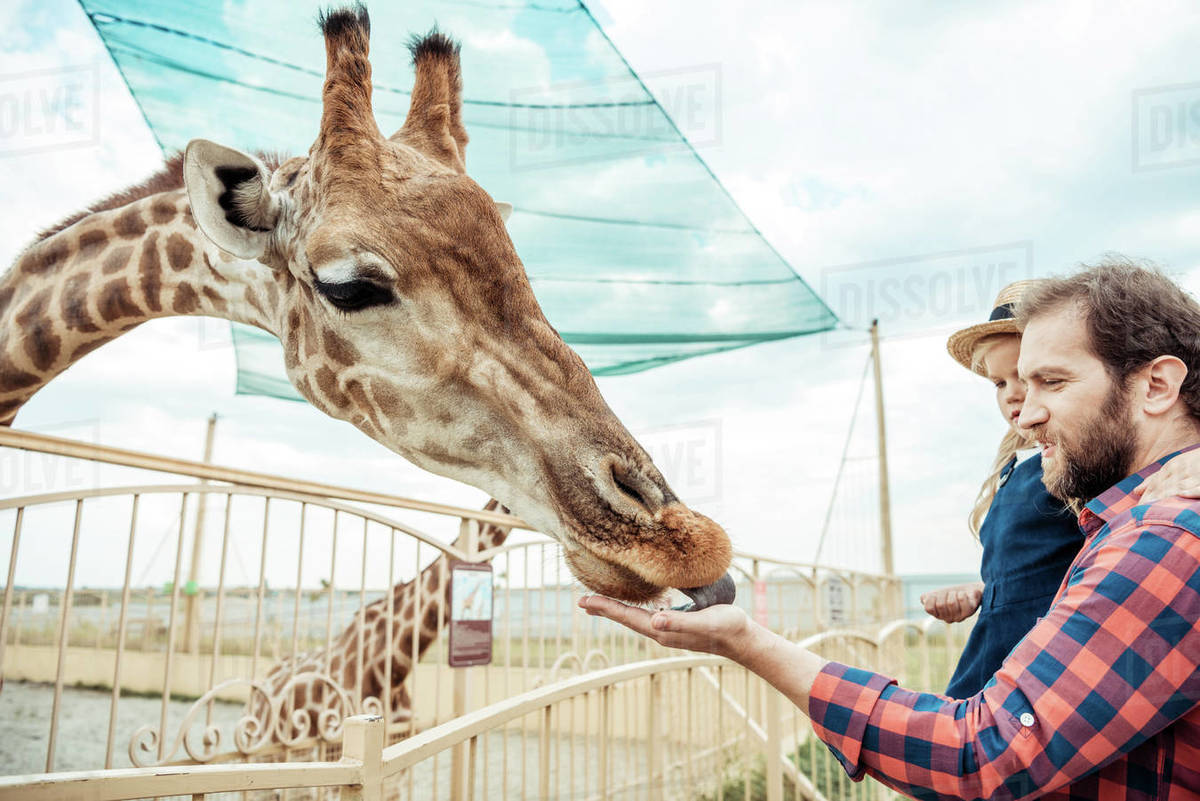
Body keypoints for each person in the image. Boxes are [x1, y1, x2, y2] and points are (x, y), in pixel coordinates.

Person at [580, 261, 1200, 798]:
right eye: (1011, 383)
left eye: (1053, 382)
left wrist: (748, 643)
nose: (1026, 409)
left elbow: (979, 755)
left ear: (1157, 384)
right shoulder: (1116, 522)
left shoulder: (1165, 538)